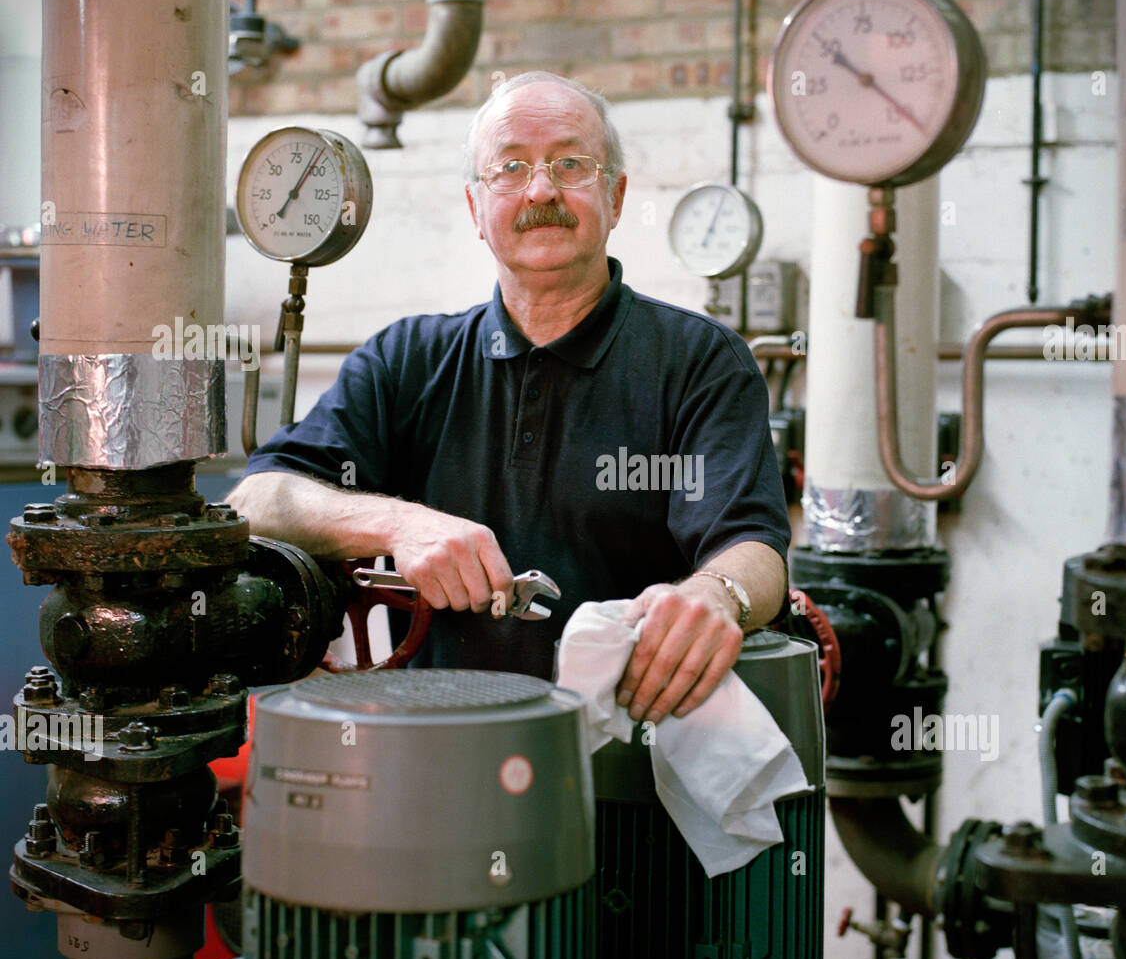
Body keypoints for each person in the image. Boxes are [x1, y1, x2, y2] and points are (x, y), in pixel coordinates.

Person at [227, 71, 790, 724]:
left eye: (571, 164)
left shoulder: (700, 361)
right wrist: (401, 524)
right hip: (439, 757)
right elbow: (256, 501)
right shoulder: (406, 360)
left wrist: (717, 596)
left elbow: (756, 549)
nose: (542, 189)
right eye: (511, 167)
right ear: (475, 209)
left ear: (616, 196)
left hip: (636, 761)